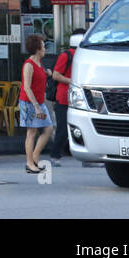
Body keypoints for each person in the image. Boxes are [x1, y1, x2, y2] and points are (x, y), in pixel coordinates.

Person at [20, 33, 53, 174]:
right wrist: (36, 107)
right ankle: (29, 163)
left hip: (39, 102)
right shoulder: (29, 65)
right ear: (37, 49)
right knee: (31, 132)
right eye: (43, 46)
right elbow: (27, 87)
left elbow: (38, 79)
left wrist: (47, 74)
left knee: (48, 129)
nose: (45, 49)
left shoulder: (39, 63)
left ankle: (35, 157)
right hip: (30, 103)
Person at [49, 31, 84, 161]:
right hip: (64, 97)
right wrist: (72, 81)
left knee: (78, 127)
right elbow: (55, 75)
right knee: (63, 128)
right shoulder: (67, 55)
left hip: (78, 97)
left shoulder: (82, 55)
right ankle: (55, 155)